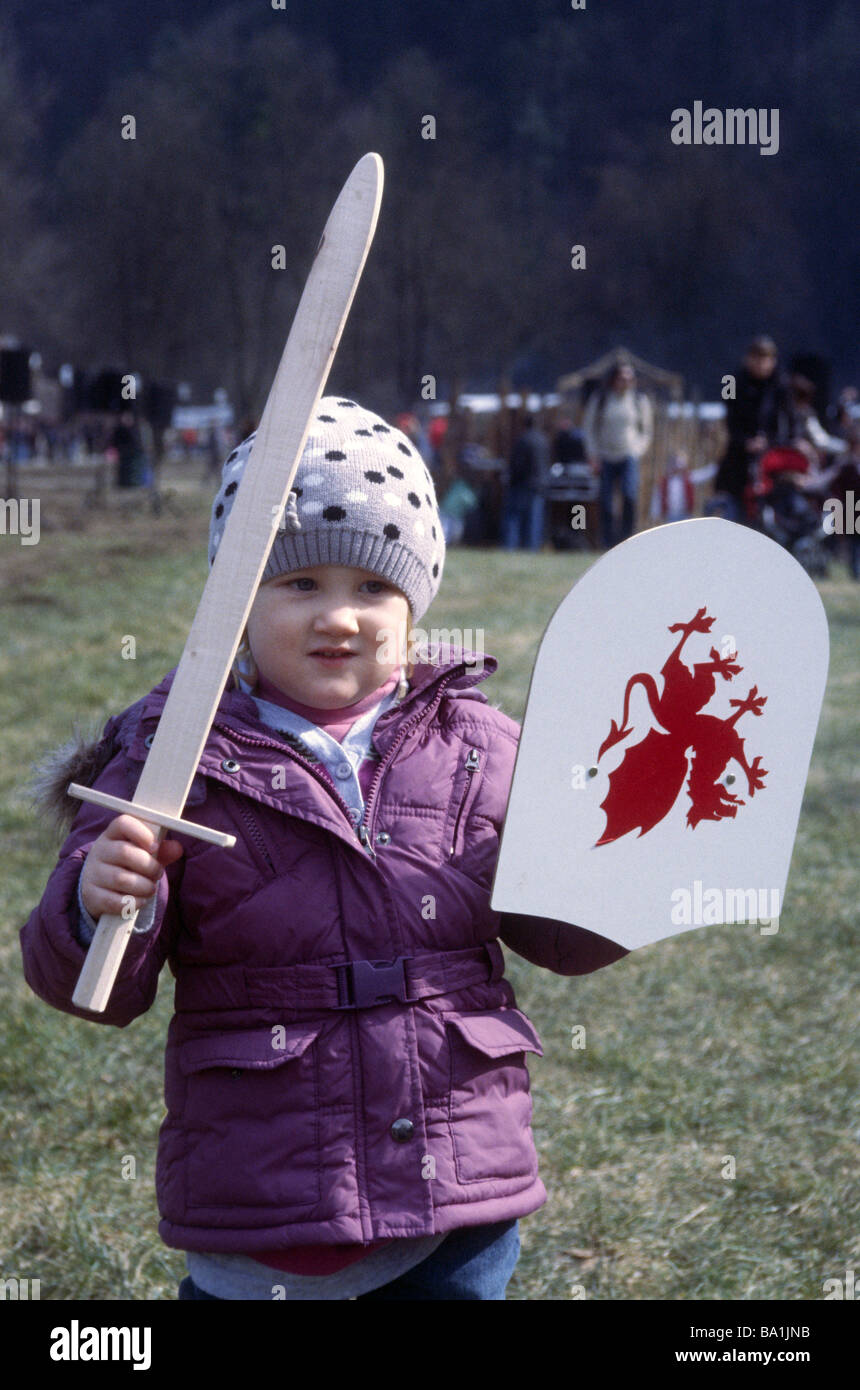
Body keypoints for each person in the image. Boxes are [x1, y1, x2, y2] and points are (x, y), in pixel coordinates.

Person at [20, 397, 628, 1302]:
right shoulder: (172, 755)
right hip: (262, 1207)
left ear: (416, 601)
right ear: (236, 600)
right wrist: (98, 900)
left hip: (453, 1204)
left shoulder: (481, 745)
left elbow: (566, 938)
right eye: (299, 584)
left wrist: (624, 875)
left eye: (373, 586)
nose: (340, 617)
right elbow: (93, 986)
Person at [712, 336, 794, 522]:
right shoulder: (731, 381)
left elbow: (789, 422)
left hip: (771, 457)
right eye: (757, 358)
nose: (761, 364)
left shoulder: (781, 384)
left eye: (766, 359)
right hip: (739, 456)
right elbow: (729, 419)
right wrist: (746, 441)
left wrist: (770, 442)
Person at [582, 363, 653, 549]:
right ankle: (608, 542)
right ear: (614, 379)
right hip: (605, 456)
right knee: (606, 500)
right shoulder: (601, 399)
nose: (626, 382)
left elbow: (646, 431)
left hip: (628, 454)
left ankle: (627, 540)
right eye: (622, 378)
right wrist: (593, 454)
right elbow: (589, 429)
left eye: (630, 378)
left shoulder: (639, 400)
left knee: (629, 496)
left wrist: (637, 450)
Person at [502, 415, 550, 550]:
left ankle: (510, 546)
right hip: (539, 485)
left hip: (523, 484)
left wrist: (511, 480)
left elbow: (518, 465)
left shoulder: (522, 440)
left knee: (514, 518)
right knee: (534, 520)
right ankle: (532, 548)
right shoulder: (544, 440)